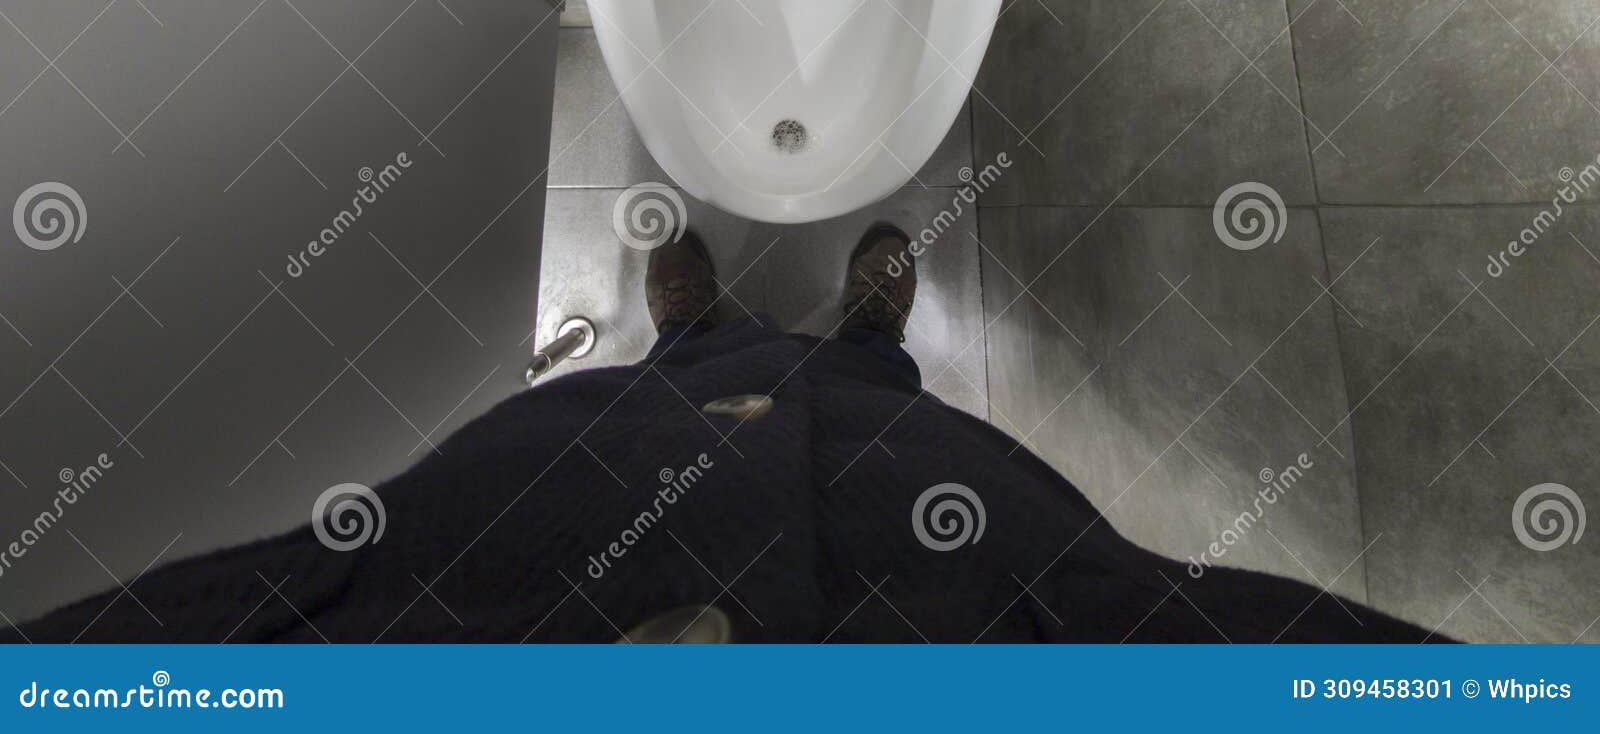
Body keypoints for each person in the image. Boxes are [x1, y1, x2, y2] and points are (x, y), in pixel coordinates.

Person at [13, 225, 1431, 643]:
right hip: (955, 611)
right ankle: (865, 348)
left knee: (628, 407)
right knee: (881, 427)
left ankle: (691, 335)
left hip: (486, 589)